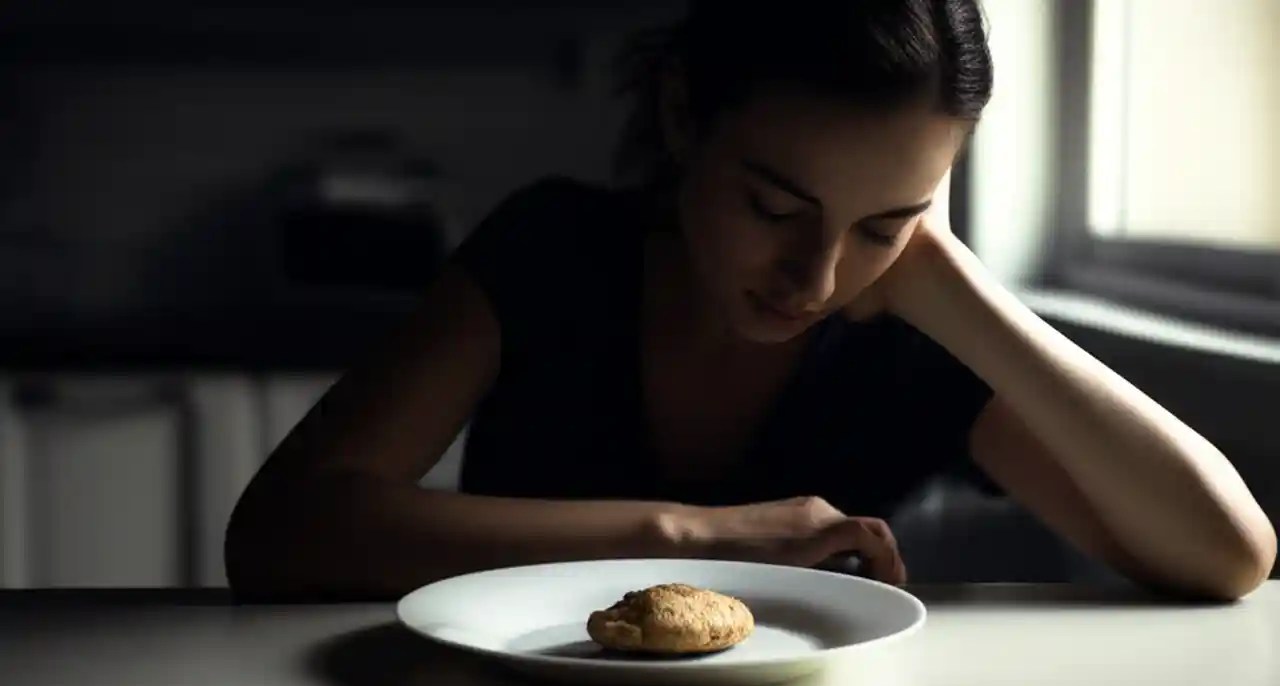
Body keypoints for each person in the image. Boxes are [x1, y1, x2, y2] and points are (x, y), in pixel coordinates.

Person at [224, 0, 1275, 602]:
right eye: (775, 208)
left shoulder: (906, 332)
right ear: (683, 116)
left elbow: (1226, 555)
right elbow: (283, 533)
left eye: (881, 224)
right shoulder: (552, 249)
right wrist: (690, 537)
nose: (813, 281)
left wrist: (945, 276)